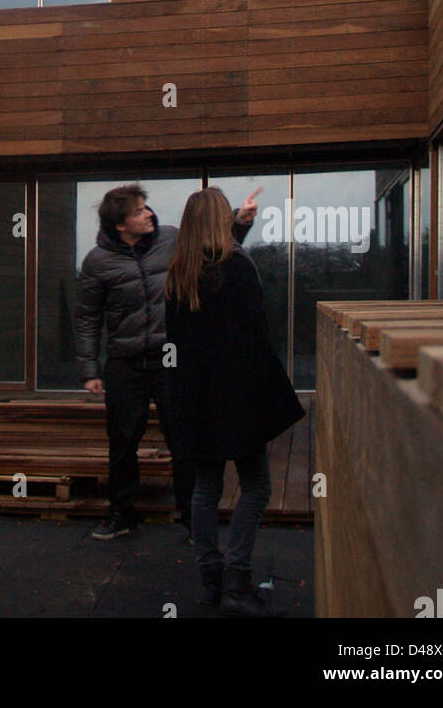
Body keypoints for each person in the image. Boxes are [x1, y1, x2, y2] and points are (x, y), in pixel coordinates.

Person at [75, 182, 259, 540]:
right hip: (125, 361)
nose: (149, 214)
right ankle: (121, 514)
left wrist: (239, 223)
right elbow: (87, 317)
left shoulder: (172, 239)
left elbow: (213, 250)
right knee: (123, 439)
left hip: (171, 357)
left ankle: (191, 518)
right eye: (139, 211)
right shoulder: (97, 262)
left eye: (147, 207)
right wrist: (89, 370)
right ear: (120, 225)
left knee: (183, 437)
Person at [164, 186, 305, 615]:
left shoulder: (178, 274)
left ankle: (212, 580)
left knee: (205, 489)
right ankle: (237, 581)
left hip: (197, 400)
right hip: (238, 399)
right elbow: (254, 334)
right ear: (220, 220)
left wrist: (239, 225)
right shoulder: (238, 268)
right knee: (257, 486)